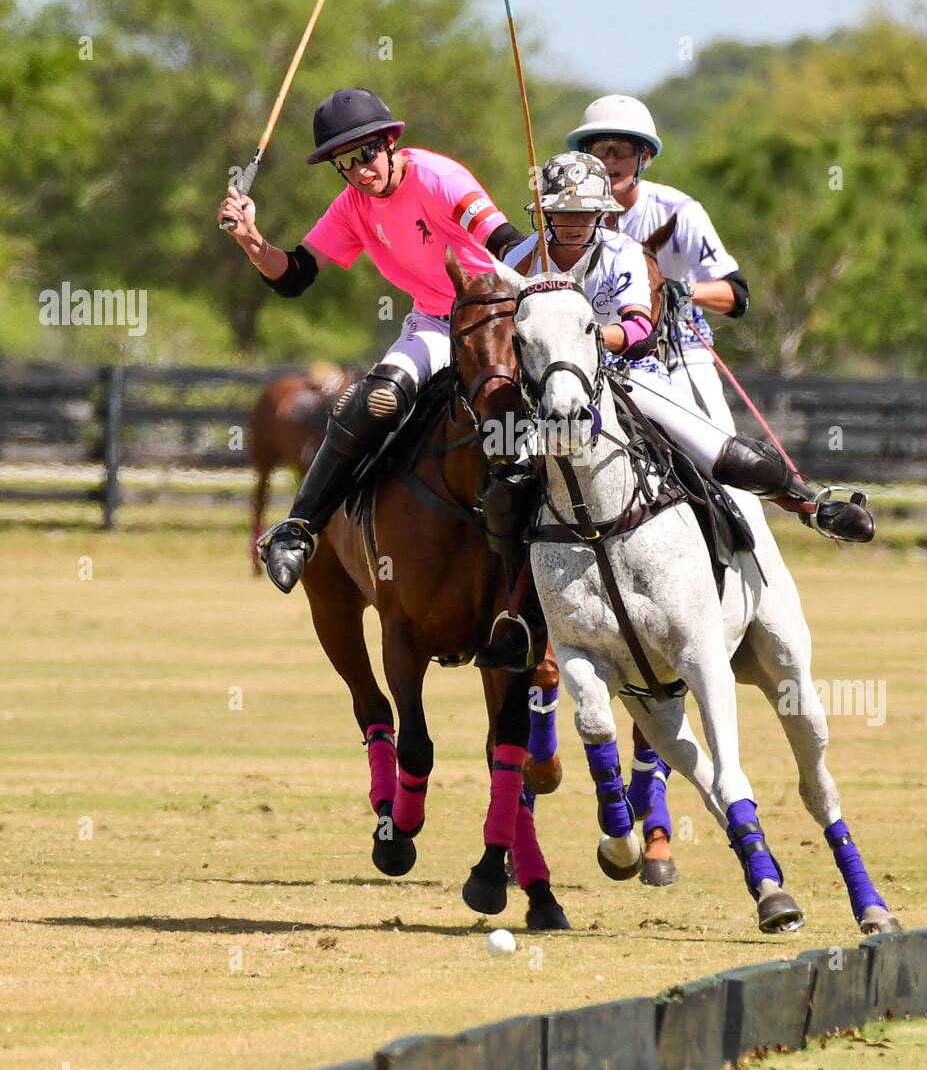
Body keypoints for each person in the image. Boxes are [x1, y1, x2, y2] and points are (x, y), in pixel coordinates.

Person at [474, 152, 876, 673]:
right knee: (504, 485)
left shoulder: (623, 253)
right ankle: (518, 618)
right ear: (544, 213)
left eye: (583, 212)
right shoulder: (523, 261)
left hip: (627, 379)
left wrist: (587, 340)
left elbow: (639, 331)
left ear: (601, 213)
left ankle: (809, 504)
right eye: (561, 212)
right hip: (548, 396)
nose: (572, 223)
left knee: (710, 445)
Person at [216, 86, 525, 593]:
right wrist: (251, 240)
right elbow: (294, 274)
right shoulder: (352, 207)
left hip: (496, 321)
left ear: (388, 143)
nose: (360, 171)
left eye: (365, 155)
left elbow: (504, 242)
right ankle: (300, 529)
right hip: (432, 324)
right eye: (345, 163)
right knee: (376, 397)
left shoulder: (440, 177)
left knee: (550, 410)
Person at [566, 94, 744, 436]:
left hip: (677, 350)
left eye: (623, 150)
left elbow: (737, 296)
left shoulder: (679, 210)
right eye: (601, 149)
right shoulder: (569, 219)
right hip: (593, 352)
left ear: (645, 157)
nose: (610, 161)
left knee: (718, 445)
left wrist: (684, 289)